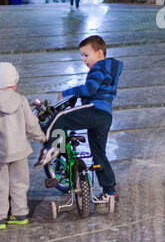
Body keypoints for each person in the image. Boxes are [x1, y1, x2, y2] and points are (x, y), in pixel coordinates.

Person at [35, 34, 123, 207]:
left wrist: (67, 92)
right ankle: (109, 191)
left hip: (94, 110)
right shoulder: (109, 69)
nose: (84, 59)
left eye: (86, 55)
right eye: (82, 56)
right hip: (105, 116)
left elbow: (90, 89)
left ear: (99, 53)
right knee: (99, 154)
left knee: (60, 117)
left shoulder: (98, 68)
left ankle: (51, 147)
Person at [0, 61, 45, 230]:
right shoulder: (20, 100)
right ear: (14, 83)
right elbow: (31, 124)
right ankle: (20, 214)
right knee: (20, 184)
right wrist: (41, 137)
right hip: (19, 152)